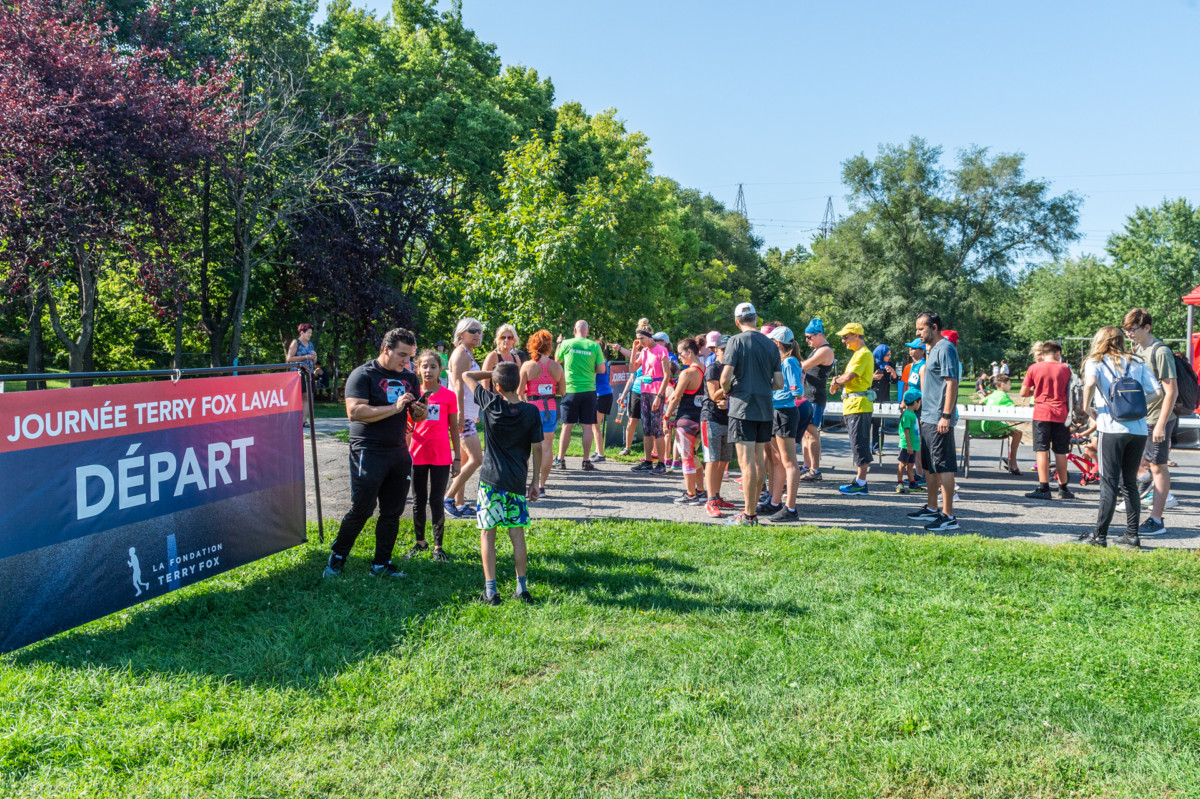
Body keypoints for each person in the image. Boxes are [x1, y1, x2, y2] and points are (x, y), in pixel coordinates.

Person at [323, 328, 427, 579]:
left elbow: (416, 415)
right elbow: (355, 412)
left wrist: (420, 411)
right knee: (362, 508)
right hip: (368, 450)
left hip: (399, 450)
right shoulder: (363, 374)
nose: (407, 362)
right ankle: (337, 558)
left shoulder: (409, 377)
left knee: (393, 511)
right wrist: (395, 407)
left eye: (410, 356)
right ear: (385, 350)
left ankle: (381, 563)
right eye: (402, 355)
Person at [459, 361, 544, 604]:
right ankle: (522, 588)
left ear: (496, 386)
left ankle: (491, 591)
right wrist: (535, 481)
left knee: (488, 534)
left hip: (490, 481)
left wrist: (493, 373)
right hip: (516, 481)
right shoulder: (531, 411)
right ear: (519, 383)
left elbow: (466, 374)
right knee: (517, 534)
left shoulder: (490, 402)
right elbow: (538, 447)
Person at [1077, 326, 1161, 549]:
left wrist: (1087, 408)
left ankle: (1099, 536)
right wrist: (1137, 405)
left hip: (1110, 427)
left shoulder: (1095, 360)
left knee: (1108, 482)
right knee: (1130, 483)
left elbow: (1090, 383)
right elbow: (1158, 392)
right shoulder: (1137, 362)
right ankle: (1132, 535)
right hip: (1138, 429)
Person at [720, 302, 783, 526]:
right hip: (765, 408)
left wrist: (728, 392)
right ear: (756, 318)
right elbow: (779, 382)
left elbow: (725, 378)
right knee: (758, 464)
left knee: (747, 465)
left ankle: (748, 516)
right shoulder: (771, 345)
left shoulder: (736, 341)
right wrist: (763, 388)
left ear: (737, 322)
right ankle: (751, 512)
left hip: (742, 408)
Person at [1123, 308, 1179, 536]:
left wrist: (1160, 424)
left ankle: (1156, 520)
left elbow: (1171, 391)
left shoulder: (1160, 351)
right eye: (1126, 330)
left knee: (1158, 466)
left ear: (1147, 327)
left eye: (1133, 329)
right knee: (1142, 464)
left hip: (1158, 419)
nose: (1129, 334)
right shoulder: (1138, 349)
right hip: (1141, 418)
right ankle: (1146, 492)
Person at [905, 312, 961, 532]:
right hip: (927, 416)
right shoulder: (933, 350)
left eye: (921, 329)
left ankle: (948, 516)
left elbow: (952, 383)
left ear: (934, 327)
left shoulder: (946, 348)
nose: (918, 333)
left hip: (939, 418)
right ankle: (932, 507)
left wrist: (945, 415)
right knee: (929, 466)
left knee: (943, 465)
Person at [405, 349, 461, 562]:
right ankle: (420, 543)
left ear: (440, 369)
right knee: (418, 500)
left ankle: (438, 547)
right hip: (416, 455)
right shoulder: (411, 394)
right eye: (424, 366)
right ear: (418, 369)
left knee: (436, 500)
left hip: (441, 456)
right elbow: (406, 427)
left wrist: (457, 458)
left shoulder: (448, 396)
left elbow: (454, 429)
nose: (428, 370)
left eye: (433, 366)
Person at [760, 326, 810, 522]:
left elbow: (796, 390)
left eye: (772, 341)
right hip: (776, 410)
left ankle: (790, 508)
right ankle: (775, 502)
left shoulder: (789, 361)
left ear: (778, 343)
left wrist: (774, 391)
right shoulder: (783, 360)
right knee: (778, 459)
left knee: (789, 462)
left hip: (785, 411)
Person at [1021, 340, 1075, 500]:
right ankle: (1063, 488)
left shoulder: (1034, 368)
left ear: (1043, 353)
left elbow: (1023, 392)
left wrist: (1035, 391)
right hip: (1061, 413)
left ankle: (1044, 488)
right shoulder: (1066, 368)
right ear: (1058, 353)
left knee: (1042, 450)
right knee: (1061, 451)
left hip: (1042, 413)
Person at [445, 318, 485, 518]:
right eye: (472, 330)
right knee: (477, 458)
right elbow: (459, 386)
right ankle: (449, 497)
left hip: (468, 414)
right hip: (462, 416)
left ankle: (459, 505)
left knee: (464, 460)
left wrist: (471, 413)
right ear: (461, 333)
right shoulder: (460, 353)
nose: (477, 334)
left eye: (479, 331)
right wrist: (460, 415)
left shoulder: (467, 353)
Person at [519, 329, 566, 498]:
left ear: (533, 345)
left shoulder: (527, 366)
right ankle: (541, 486)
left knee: (525, 448)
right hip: (550, 409)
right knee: (546, 448)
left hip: (531, 408)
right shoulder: (557, 367)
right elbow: (562, 391)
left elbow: (519, 391)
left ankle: (523, 484)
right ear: (550, 346)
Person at [829, 322, 874, 495]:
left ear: (856, 336)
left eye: (846, 336)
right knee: (857, 443)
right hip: (853, 406)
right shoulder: (858, 354)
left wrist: (835, 381)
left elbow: (849, 377)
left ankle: (861, 483)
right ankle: (859, 481)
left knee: (859, 444)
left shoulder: (863, 354)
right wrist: (838, 380)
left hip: (859, 406)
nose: (843, 340)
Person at [554, 320, 605, 471]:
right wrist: (590, 366)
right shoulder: (594, 345)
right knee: (587, 427)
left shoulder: (567, 343)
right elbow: (602, 369)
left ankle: (560, 460)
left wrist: (559, 343)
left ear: (574, 330)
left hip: (570, 389)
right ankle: (585, 461)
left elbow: (557, 360)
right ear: (587, 331)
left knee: (566, 426)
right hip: (589, 390)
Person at [664, 338, 705, 505]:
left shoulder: (687, 373)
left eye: (680, 354)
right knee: (694, 456)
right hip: (700, 418)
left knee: (686, 458)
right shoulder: (705, 369)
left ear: (689, 352)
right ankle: (700, 490)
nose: (679, 357)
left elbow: (675, 397)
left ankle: (690, 494)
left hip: (685, 420)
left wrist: (666, 417)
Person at [701, 335, 738, 518]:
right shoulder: (713, 368)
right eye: (723, 350)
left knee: (723, 461)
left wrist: (729, 401)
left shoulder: (732, 368)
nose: (727, 353)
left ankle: (716, 496)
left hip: (728, 419)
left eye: (729, 350)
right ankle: (710, 500)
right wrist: (729, 392)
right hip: (711, 418)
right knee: (712, 460)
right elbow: (714, 395)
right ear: (716, 350)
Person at [799, 319, 835, 482]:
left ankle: (815, 469)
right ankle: (807, 466)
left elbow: (804, 366)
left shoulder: (825, 350)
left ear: (819, 335)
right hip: (808, 394)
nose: (807, 340)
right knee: (806, 432)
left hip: (815, 395)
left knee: (812, 432)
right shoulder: (817, 349)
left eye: (809, 337)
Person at [631, 327, 671, 475]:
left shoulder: (661, 350)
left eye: (642, 338)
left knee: (656, 428)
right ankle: (648, 461)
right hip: (645, 391)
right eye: (638, 338)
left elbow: (667, 375)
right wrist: (634, 351)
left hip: (656, 392)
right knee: (646, 428)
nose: (639, 341)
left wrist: (660, 396)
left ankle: (661, 463)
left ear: (649, 337)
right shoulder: (644, 351)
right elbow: (632, 368)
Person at [968, 373, 1024, 475]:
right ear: (1003, 384)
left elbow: (981, 402)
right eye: (1009, 383)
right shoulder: (1003, 396)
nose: (1010, 386)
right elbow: (1016, 409)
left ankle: (1012, 460)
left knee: (1018, 433)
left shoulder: (993, 394)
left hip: (984, 424)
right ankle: (1013, 463)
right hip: (992, 426)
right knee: (1017, 434)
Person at [590, 336, 614, 463]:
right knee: (595, 425)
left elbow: (592, 378)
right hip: (604, 394)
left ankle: (601, 455)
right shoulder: (603, 361)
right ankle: (597, 449)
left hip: (602, 395)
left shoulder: (598, 363)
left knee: (595, 425)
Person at [870, 344, 898, 454]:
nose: (889, 356)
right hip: (870, 398)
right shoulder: (871, 364)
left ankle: (877, 448)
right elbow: (863, 379)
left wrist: (893, 372)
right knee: (866, 424)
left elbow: (894, 381)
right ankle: (865, 448)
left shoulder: (889, 365)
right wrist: (872, 377)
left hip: (883, 398)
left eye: (890, 354)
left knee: (879, 424)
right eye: (887, 354)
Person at [896, 389, 921, 492]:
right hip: (907, 445)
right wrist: (909, 445)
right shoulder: (907, 415)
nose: (920, 404)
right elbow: (906, 431)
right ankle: (899, 483)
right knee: (902, 464)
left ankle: (912, 484)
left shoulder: (913, 414)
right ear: (915, 402)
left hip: (913, 445)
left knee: (910, 465)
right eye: (920, 402)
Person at [617, 362, 644, 456]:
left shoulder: (655, 358)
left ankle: (652, 452)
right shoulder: (639, 361)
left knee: (649, 423)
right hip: (635, 392)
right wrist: (623, 395)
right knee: (632, 421)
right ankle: (627, 448)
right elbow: (631, 379)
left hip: (650, 392)